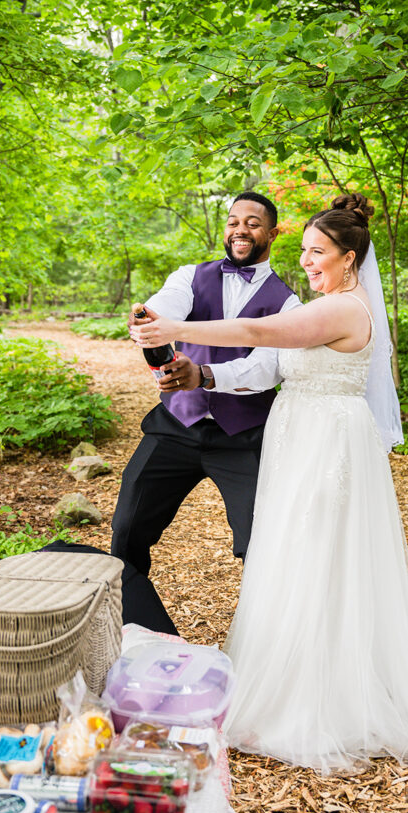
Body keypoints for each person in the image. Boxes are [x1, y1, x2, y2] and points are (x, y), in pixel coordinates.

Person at [131, 193, 408, 772]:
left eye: (317, 252)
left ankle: (321, 693)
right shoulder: (320, 303)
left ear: (349, 258)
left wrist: (176, 327)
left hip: (328, 447)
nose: (306, 261)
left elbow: (259, 330)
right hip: (299, 442)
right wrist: (199, 369)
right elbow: (266, 364)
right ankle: (289, 666)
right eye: (302, 250)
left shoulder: (347, 310)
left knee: (319, 555)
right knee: (290, 553)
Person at [111, 192, 301, 635]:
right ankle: (135, 632)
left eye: (253, 223)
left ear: (273, 234)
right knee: (127, 528)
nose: (240, 229)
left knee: (259, 541)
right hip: (176, 424)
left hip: (245, 435)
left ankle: (266, 643)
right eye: (234, 221)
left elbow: (267, 367)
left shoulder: (288, 303)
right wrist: (150, 321)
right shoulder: (188, 276)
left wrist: (204, 374)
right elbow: (167, 308)